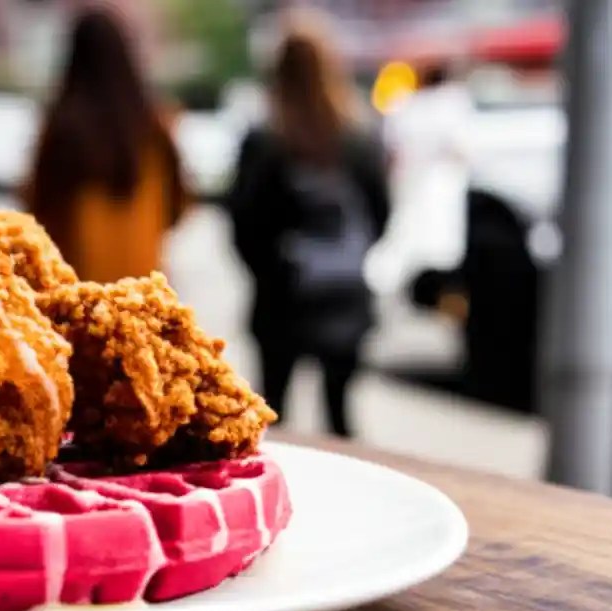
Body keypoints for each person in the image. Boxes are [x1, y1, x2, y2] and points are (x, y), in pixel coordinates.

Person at [224, 14, 390, 438]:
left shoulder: (265, 140)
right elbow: (381, 211)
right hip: (344, 295)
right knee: (340, 412)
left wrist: (270, 271)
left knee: (273, 412)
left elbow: (243, 220)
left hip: (282, 298)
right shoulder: (357, 135)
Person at [24, 9, 188, 282]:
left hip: (79, 291)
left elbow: (37, 212)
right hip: (144, 288)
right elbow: (178, 208)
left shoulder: (60, 131)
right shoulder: (153, 127)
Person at [368, 61, 473, 295]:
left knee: (410, 231)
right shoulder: (451, 104)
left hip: (413, 180)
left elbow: (394, 150)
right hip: (437, 182)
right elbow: (460, 148)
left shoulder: (406, 106)